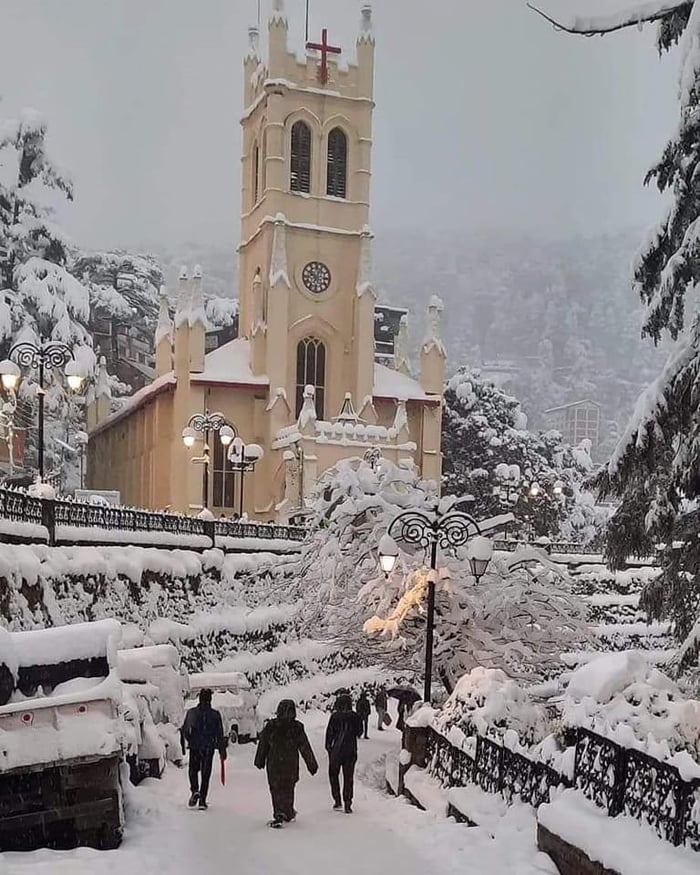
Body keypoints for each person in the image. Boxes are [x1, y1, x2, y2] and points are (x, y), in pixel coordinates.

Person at [254, 699, 318, 828]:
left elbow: (263, 744)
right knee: (289, 788)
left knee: (276, 789)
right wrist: (312, 765)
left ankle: (278, 813)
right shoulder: (297, 727)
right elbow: (304, 747)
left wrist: (260, 760)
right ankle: (288, 811)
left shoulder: (271, 726)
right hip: (290, 764)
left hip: (274, 764)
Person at [182, 688, 227, 810]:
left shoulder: (192, 713)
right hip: (209, 747)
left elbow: (185, 729)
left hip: (195, 746)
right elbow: (220, 733)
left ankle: (195, 790)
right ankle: (202, 799)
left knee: (193, 770)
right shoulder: (215, 715)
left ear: (199, 698)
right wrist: (222, 749)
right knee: (206, 774)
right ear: (210, 699)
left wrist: (190, 740)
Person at [325, 694, 363, 814]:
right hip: (351, 751)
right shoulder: (355, 716)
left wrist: (329, 748)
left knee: (333, 775)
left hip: (336, 751)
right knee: (348, 777)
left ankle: (337, 800)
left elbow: (329, 734)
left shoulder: (335, 716)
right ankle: (348, 802)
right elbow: (359, 732)